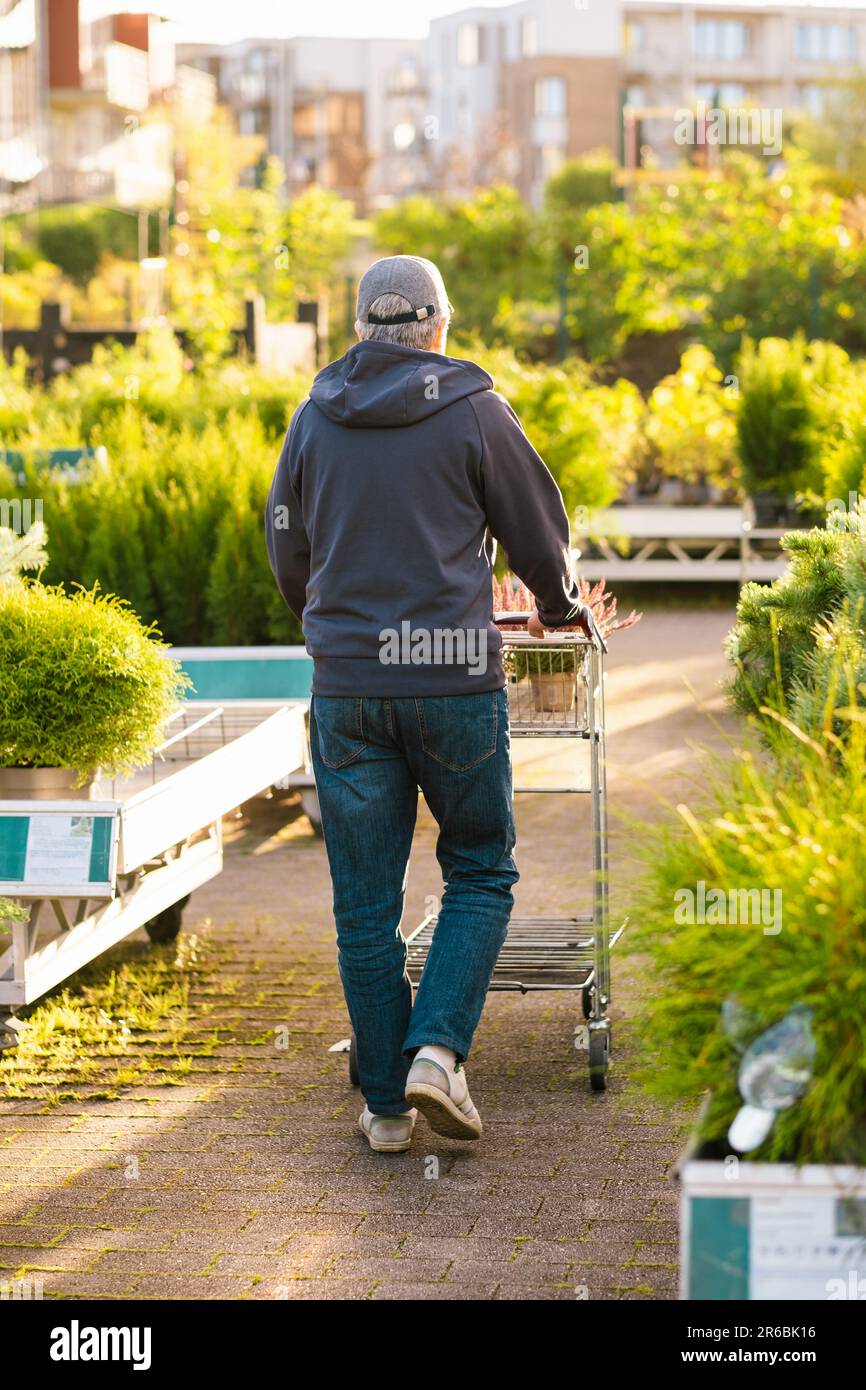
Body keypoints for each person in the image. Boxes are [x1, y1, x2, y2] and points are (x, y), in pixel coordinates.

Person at [266, 255, 586, 1152]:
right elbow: (535, 526)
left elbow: (288, 550)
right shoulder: (473, 409)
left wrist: (330, 630)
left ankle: (384, 1107)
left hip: (349, 691)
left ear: (362, 329)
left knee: (362, 904)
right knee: (480, 869)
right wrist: (560, 607)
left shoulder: (312, 420)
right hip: (452, 683)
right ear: (440, 327)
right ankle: (436, 1054)